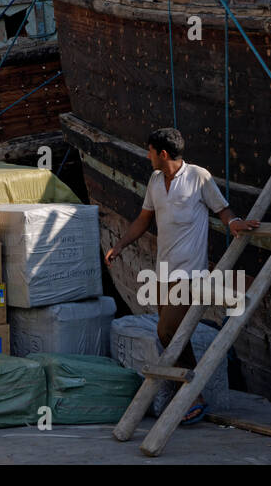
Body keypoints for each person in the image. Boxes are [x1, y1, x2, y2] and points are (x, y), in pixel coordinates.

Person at [104, 128, 257, 424]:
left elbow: (222, 209)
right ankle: (188, 397)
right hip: (163, 271)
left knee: (167, 330)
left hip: (191, 272)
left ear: (162, 154)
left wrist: (235, 223)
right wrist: (120, 245)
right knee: (172, 335)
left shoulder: (199, 176)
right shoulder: (155, 180)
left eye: (150, 151)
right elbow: (143, 219)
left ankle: (192, 394)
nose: (147, 156)